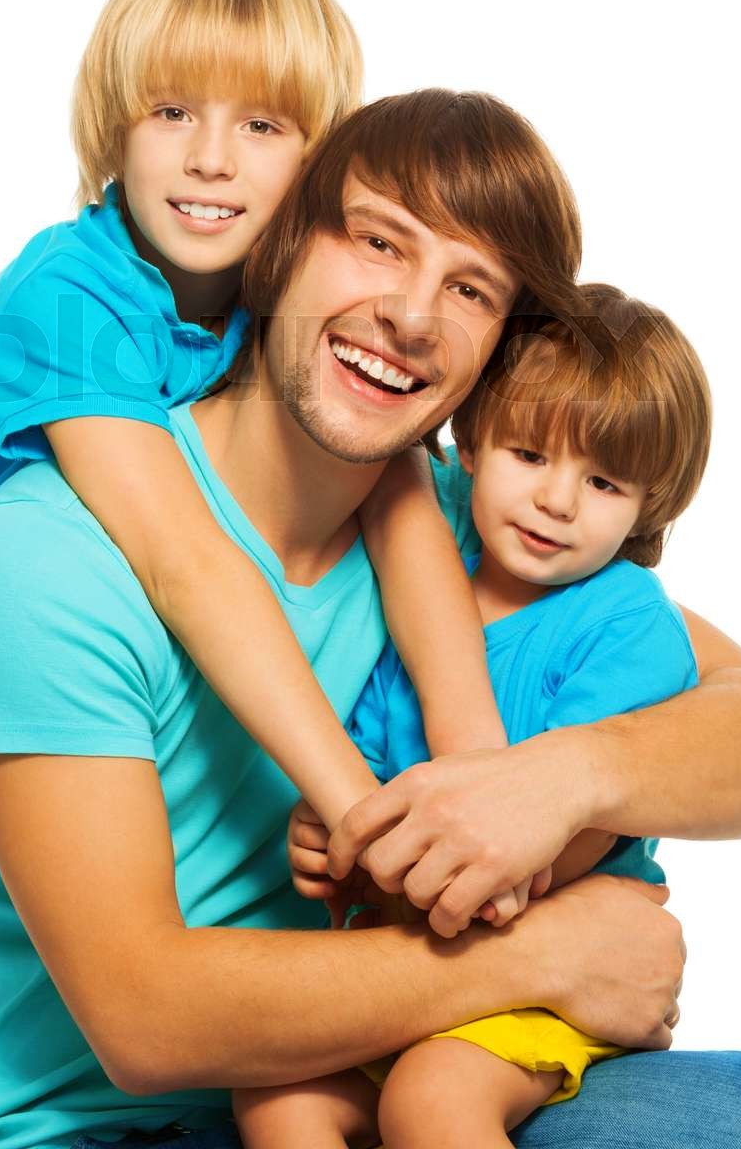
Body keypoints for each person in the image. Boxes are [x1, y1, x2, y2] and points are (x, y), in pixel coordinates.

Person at [0, 90, 741, 1149]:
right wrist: (546, 954)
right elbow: (146, 1020)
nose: (412, 315)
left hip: (393, 1060)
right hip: (113, 1125)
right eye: (378, 242)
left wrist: (562, 779)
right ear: (284, 246)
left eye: (469, 289)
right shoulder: (45, 557)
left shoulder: (455, 520)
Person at [0, 0, 515, 1149]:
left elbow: (390, 474)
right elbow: (184, 557)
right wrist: (353, 804)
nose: (208, 158)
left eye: (261, 125)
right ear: (110, 129)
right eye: (171, 112)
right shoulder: (65, 297)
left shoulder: (269, 295)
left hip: (76, 739)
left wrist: (485, 774)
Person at [234, 284, 712, 1148]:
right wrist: (328, 837)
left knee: (433, 1097)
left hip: (551, 974)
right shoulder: (418, 585)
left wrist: (399, 869)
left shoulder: (629, 622)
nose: (557, 502)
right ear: (472, 439)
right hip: (403, 959)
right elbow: (365, 775)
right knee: (276, 1097)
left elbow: (567, 842)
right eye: (530, 456)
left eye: (603, 481)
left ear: (651, 505)